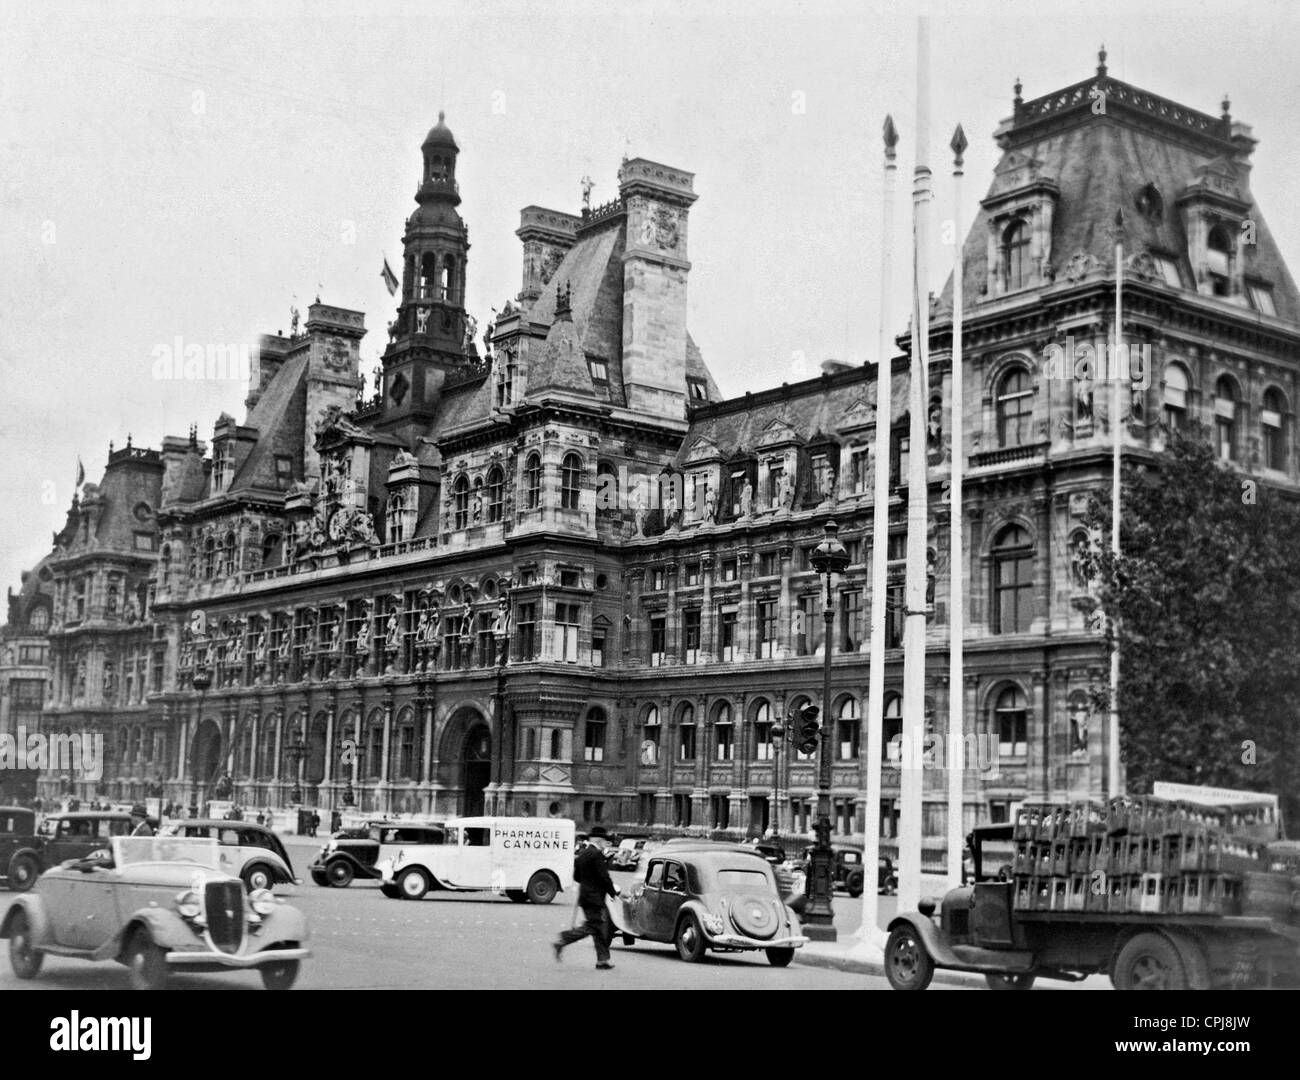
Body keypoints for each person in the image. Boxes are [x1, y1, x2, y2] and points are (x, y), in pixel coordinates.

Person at [553, 836, 620, 969]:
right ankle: (563, 939)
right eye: (605, 842)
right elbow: (604, 876)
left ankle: (602, 960)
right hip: (594, 898)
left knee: (599, 927)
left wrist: (587, 883)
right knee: (594, 926)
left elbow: (576, 876)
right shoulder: (596, 854)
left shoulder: (583, 853)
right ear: (599, 841)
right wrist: (613, 893)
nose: (605, 845)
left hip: (585, 896)